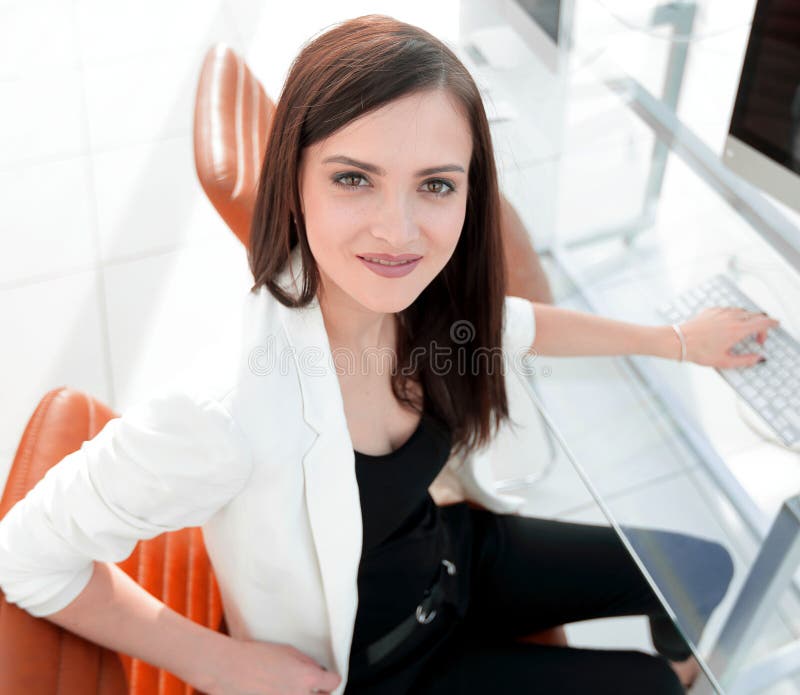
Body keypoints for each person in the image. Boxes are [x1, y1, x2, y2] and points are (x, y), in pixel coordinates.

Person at [0, 14, 777, 695]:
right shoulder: (224, 411)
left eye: (435, 186)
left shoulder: (421, 306)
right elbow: (26, 555)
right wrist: (217, 664)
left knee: (703, 566)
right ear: (294, 180)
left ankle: (676, 668)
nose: (399, 232)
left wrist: (679, 342)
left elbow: (525, 324)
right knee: (649, 685)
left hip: (454, 559)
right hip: (383, 667)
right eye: (354, 179)